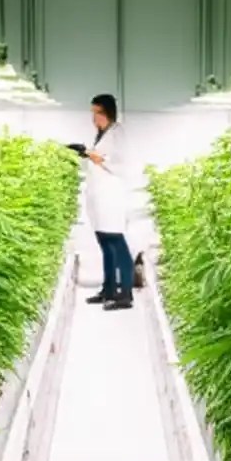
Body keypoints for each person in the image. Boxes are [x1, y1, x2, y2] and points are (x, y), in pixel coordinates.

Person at [83, 93, 134, 310]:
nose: (94, 118)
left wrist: (98, 158)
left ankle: (125, 294)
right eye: (93, 113)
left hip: (112, 197)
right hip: (99, 198)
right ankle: (109, 289)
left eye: (97, 113)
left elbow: (123, 163)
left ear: (107, 113)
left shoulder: (118, 133)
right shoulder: (102, 135)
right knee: (105, 245)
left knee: (117, 245)